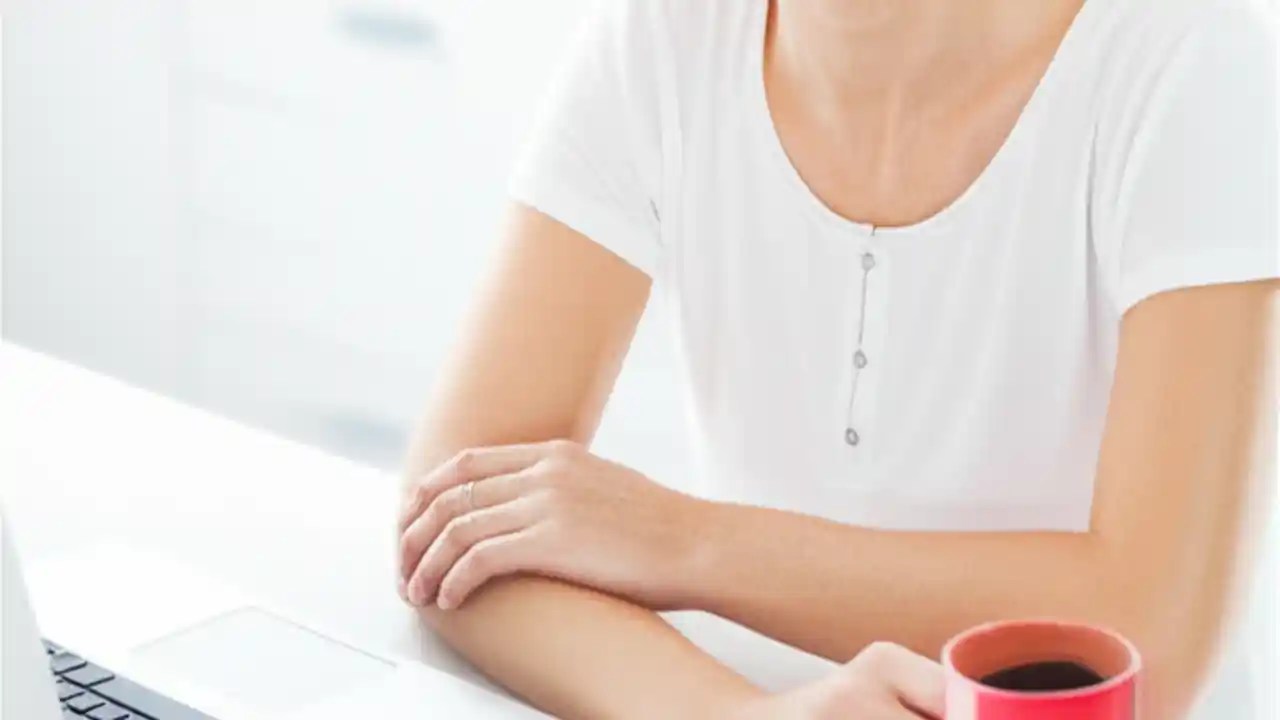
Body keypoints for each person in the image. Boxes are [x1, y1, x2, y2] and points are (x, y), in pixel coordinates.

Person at [396, 0, 1279, 717]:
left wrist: (684, 540)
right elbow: (450, 522)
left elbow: (1148, 639)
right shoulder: (660, 46)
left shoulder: (1191, 68)